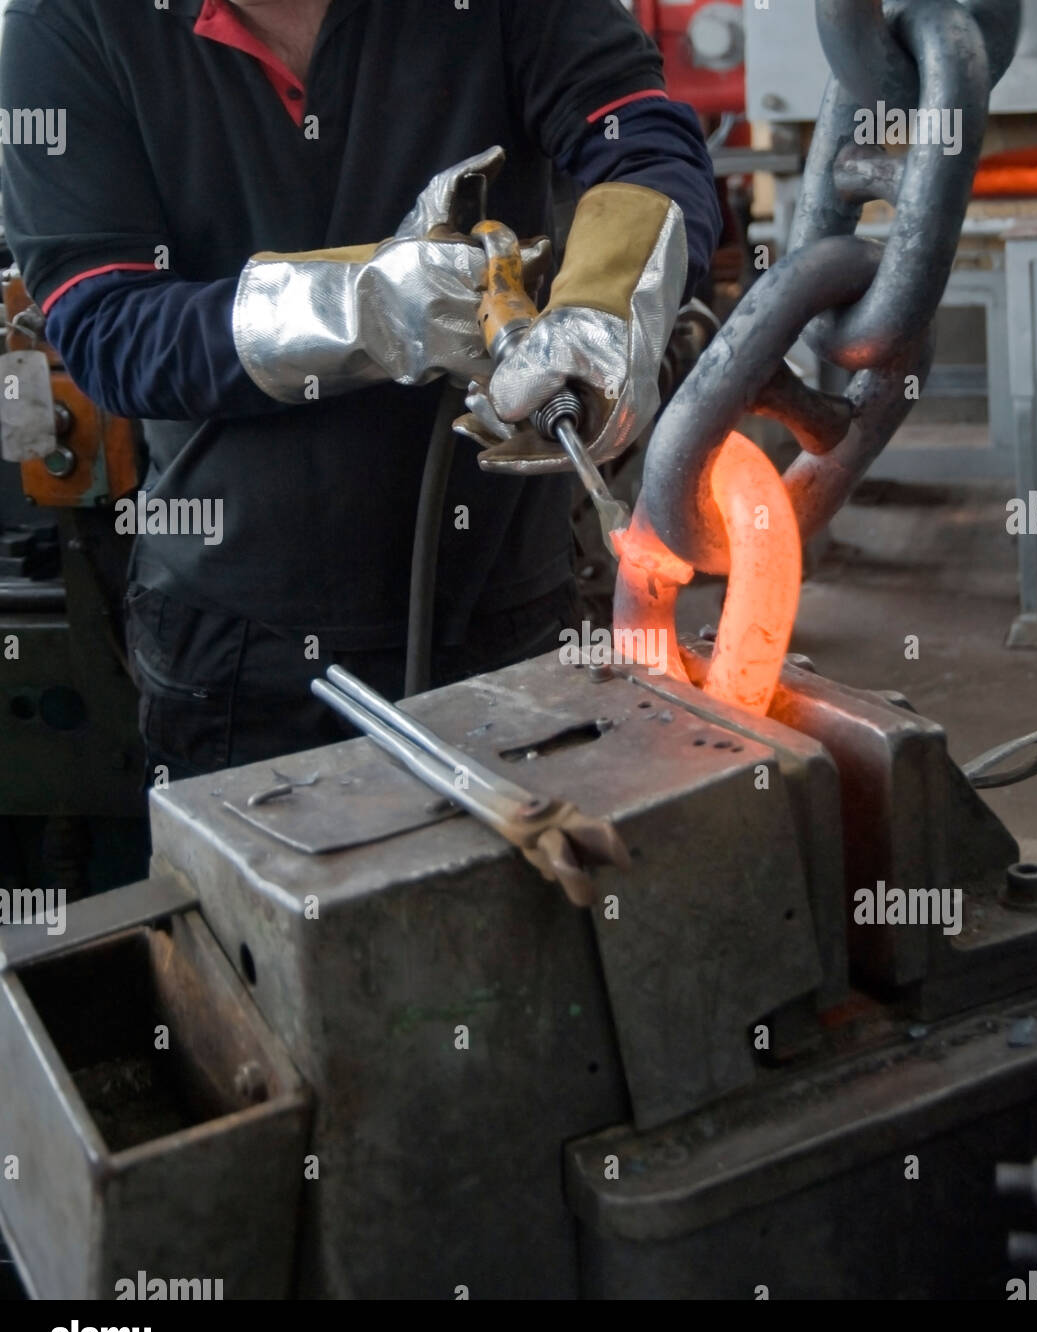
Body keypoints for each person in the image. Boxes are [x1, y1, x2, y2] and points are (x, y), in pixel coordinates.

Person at [0, 0, 720, 778]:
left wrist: (608, 313)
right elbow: (108, 326)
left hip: (513, 603)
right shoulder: (69, 23)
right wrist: (368, 307)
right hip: (242, 648)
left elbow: (643, 142)